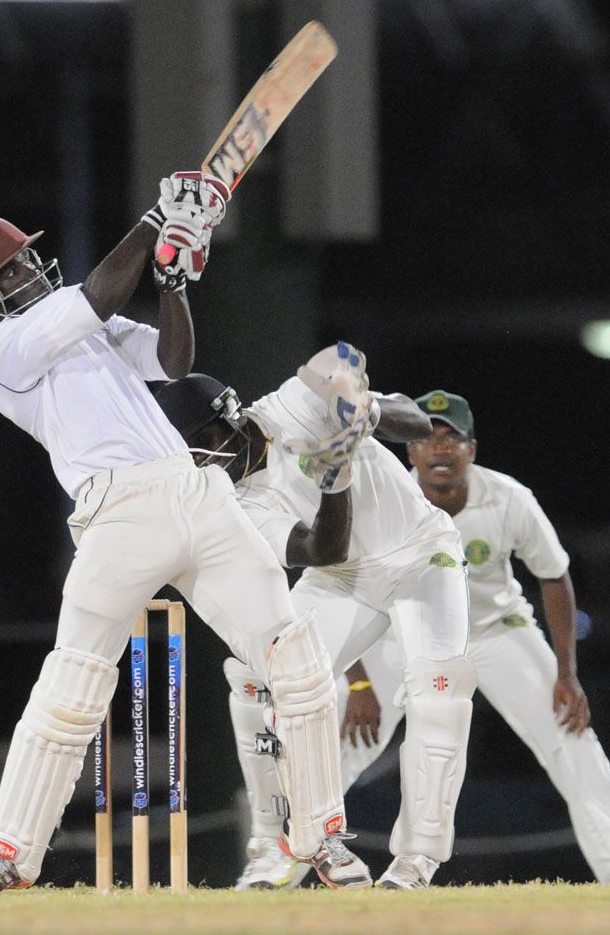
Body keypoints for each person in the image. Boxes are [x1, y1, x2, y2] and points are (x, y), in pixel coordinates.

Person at [0, 175, 370, 895]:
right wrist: (154, 222)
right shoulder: (1, 350)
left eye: (26, 256)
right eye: (10, 267)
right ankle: (7, 854)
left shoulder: (82, 318)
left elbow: (173, 363)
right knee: (73, 686)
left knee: (295, 658)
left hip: (194, 488)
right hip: (115, 513)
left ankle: (322, 839)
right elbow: (97, 296)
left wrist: (172, 282)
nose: (30, 268)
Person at [154, 356, 476, 890]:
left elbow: (417, 421)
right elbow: (322, 550)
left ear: (224, 421)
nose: (199, 466)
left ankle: (417, 860)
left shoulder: (296, 404)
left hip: (422, 555)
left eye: (198, 448)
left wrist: (364, 409)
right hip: (341, 576)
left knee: (438, 693)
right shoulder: (238, 502)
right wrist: (336, 478)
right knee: (257, 680)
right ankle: (272, 845)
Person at [336, 390, 610, 884]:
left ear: (472, 449)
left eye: (453, 437)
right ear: (410, 451)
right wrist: (357, 682)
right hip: (404, 635)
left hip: (494, 631)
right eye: (427, 437)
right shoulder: (382, 500)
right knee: (341, 738)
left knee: (571, 735)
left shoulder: (508, 498)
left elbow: (554, 575)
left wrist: (566, 673)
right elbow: (340, 588)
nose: (440, 447)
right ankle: (282, 861)